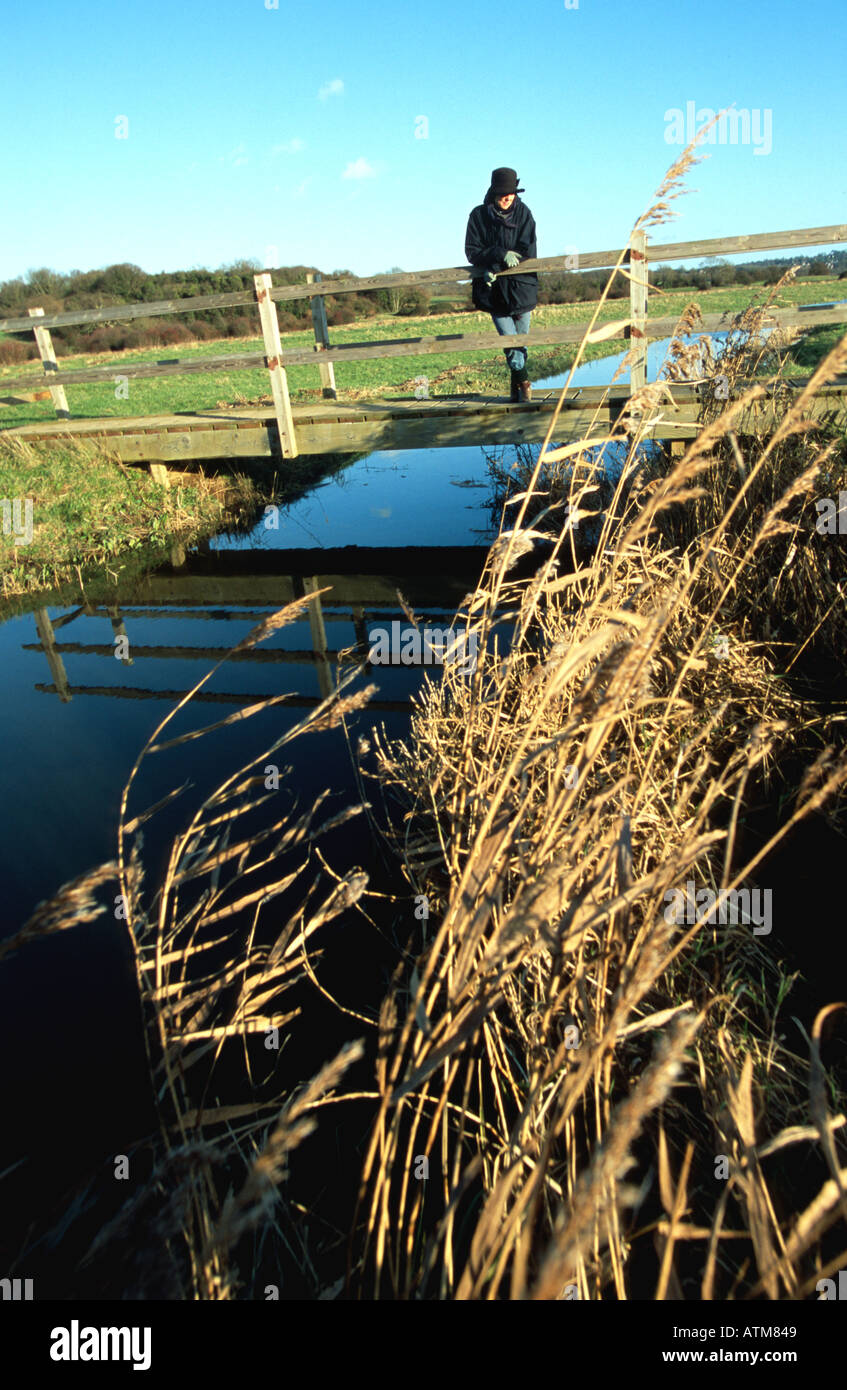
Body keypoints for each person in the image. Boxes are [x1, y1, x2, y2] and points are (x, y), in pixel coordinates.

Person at [464, 167, 538, 402]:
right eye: (503, 194)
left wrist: (495, 266)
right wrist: (498, 252)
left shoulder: (525, 214)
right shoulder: (478, 216)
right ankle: (525, 387)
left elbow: (527, 252)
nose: (508, 198)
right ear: (493, 193)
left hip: (521, 287)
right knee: (510, 341)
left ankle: (515, 388)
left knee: (521, 344)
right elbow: (472, 251)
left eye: (512, 193)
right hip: (493, 292)